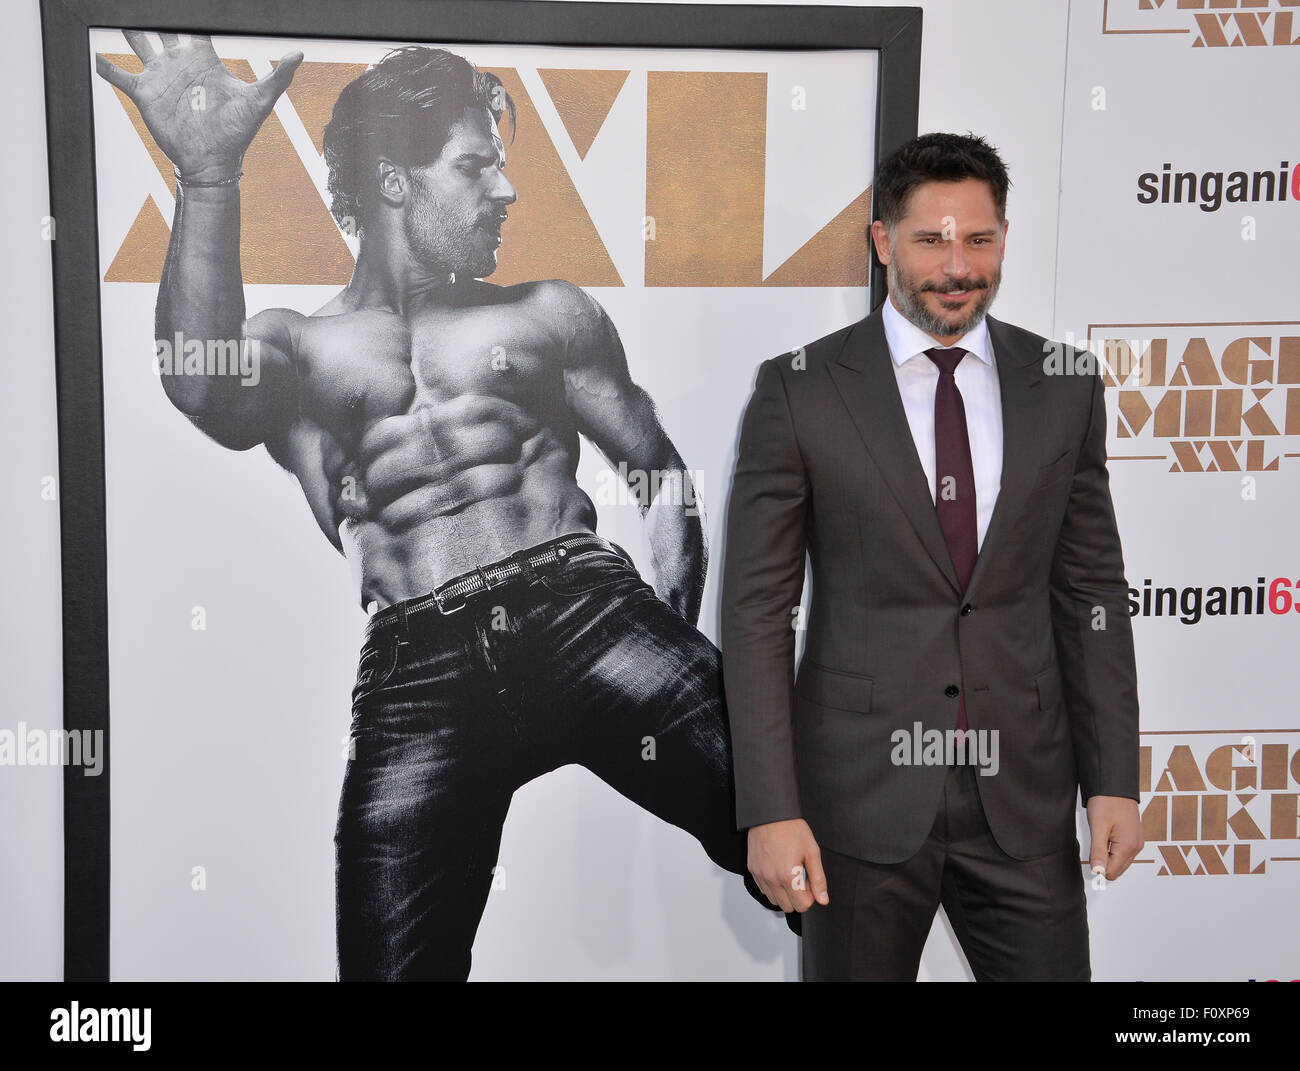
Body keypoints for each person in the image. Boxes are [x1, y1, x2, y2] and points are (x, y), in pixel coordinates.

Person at [97, 34, 779, 981]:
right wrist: (210, 179)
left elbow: (658, 472)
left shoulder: (545, 313)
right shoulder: (299, 348)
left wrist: (666, 646)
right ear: (395, 183)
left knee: (807, 837)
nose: (503, 193)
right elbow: (200, 386)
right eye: (474, 167)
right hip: (416, 669)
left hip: (583, 608)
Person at [721, 132, 1143, 981]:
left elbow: (1090, 588)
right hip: (858, 805)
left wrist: (1114, 777)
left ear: (1004, 238)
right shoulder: (800, 389)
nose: (958, 265)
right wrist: (770, 807)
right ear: (884, 242)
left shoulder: (1065, 383)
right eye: (931, 239)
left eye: (979, 239)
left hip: (1021, 796)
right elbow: (758, 610)